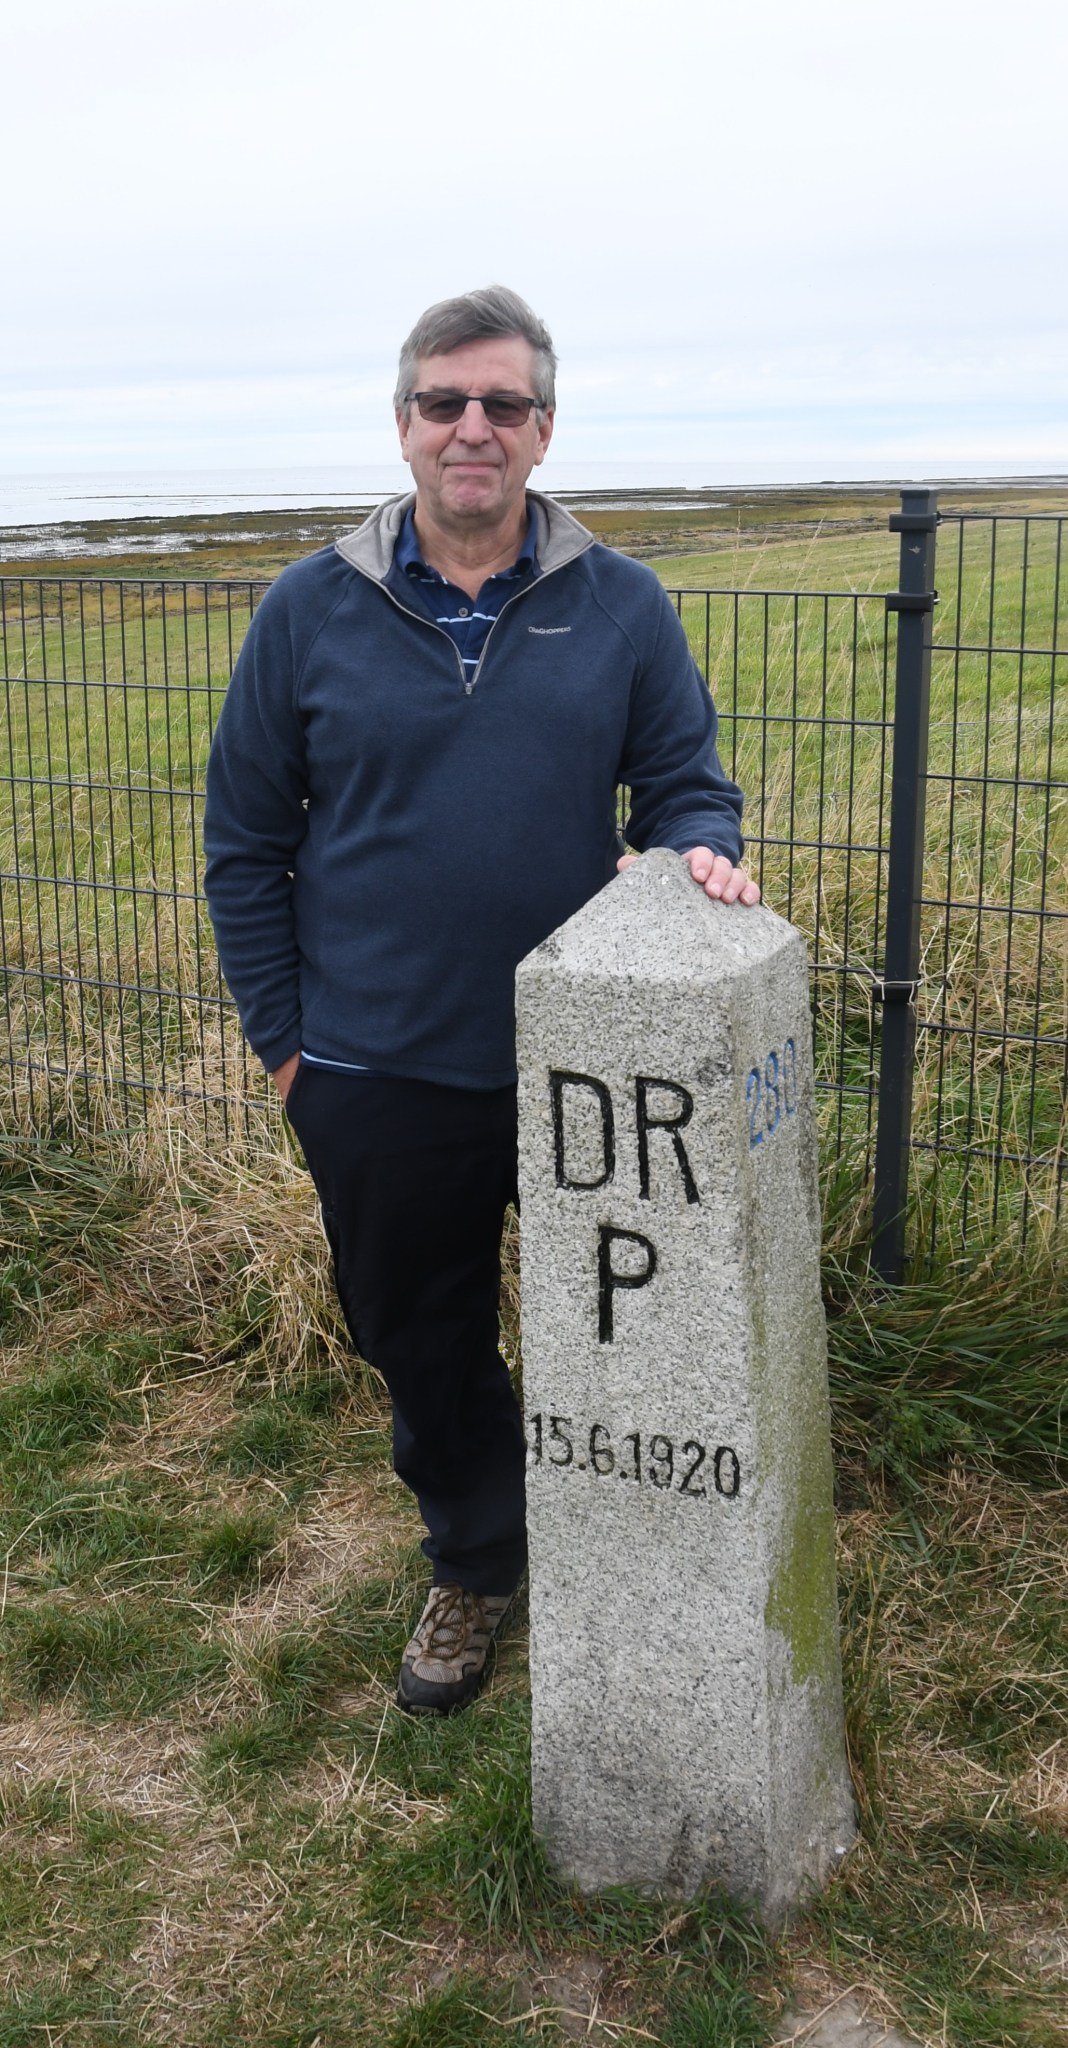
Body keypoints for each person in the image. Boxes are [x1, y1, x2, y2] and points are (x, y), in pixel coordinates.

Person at [203, 285, 759, 1715]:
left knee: (620, 1324)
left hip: (585, 1057)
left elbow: (686, 777)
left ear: (543, 428)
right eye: (445, 402)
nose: (473, 427)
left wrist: (701, 849)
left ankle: (643, 1550)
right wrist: (289, 1053)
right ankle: (477, 1559)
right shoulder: (309, 608)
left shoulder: (620, 603)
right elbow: (245, 845)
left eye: (502, 405)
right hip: (376, 1066)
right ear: (402, 426)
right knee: (419, 1333)